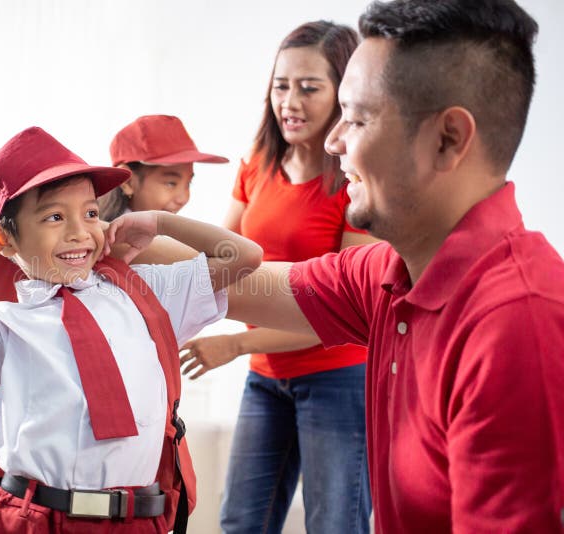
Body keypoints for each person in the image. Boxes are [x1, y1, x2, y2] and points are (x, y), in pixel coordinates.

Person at [213, 1, 564, 532]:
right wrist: (114, 238)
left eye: (354, 118)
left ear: (447, 139)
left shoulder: (519, 322)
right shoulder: (386, 272)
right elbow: (244, 283)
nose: (334, 142)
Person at [0, 126, 262, 533]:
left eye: (91, 213)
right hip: (34, 518)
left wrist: (159, 222)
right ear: (4, 240)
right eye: (55, 217)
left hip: (137, 519)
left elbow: (245, 256)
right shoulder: (6, 324)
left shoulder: (144, 295)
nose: (79, 232)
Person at [179, 21, 377, 534]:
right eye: (280, 85)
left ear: (342, 95)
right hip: (269, 379)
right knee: (242, 522)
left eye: (309, 88)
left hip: (340, 377)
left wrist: (234, 346)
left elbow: (347, 309)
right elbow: (219, 255)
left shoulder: (356, 186)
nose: (290, 101)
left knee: (336, 524)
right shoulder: (257, 164)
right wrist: (153, 224)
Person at [98, 114, 228, 221]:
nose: (183, 198)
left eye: (188, 183)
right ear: (127, 182)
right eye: (171, 183)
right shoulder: (124, 241)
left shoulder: (162, 233)